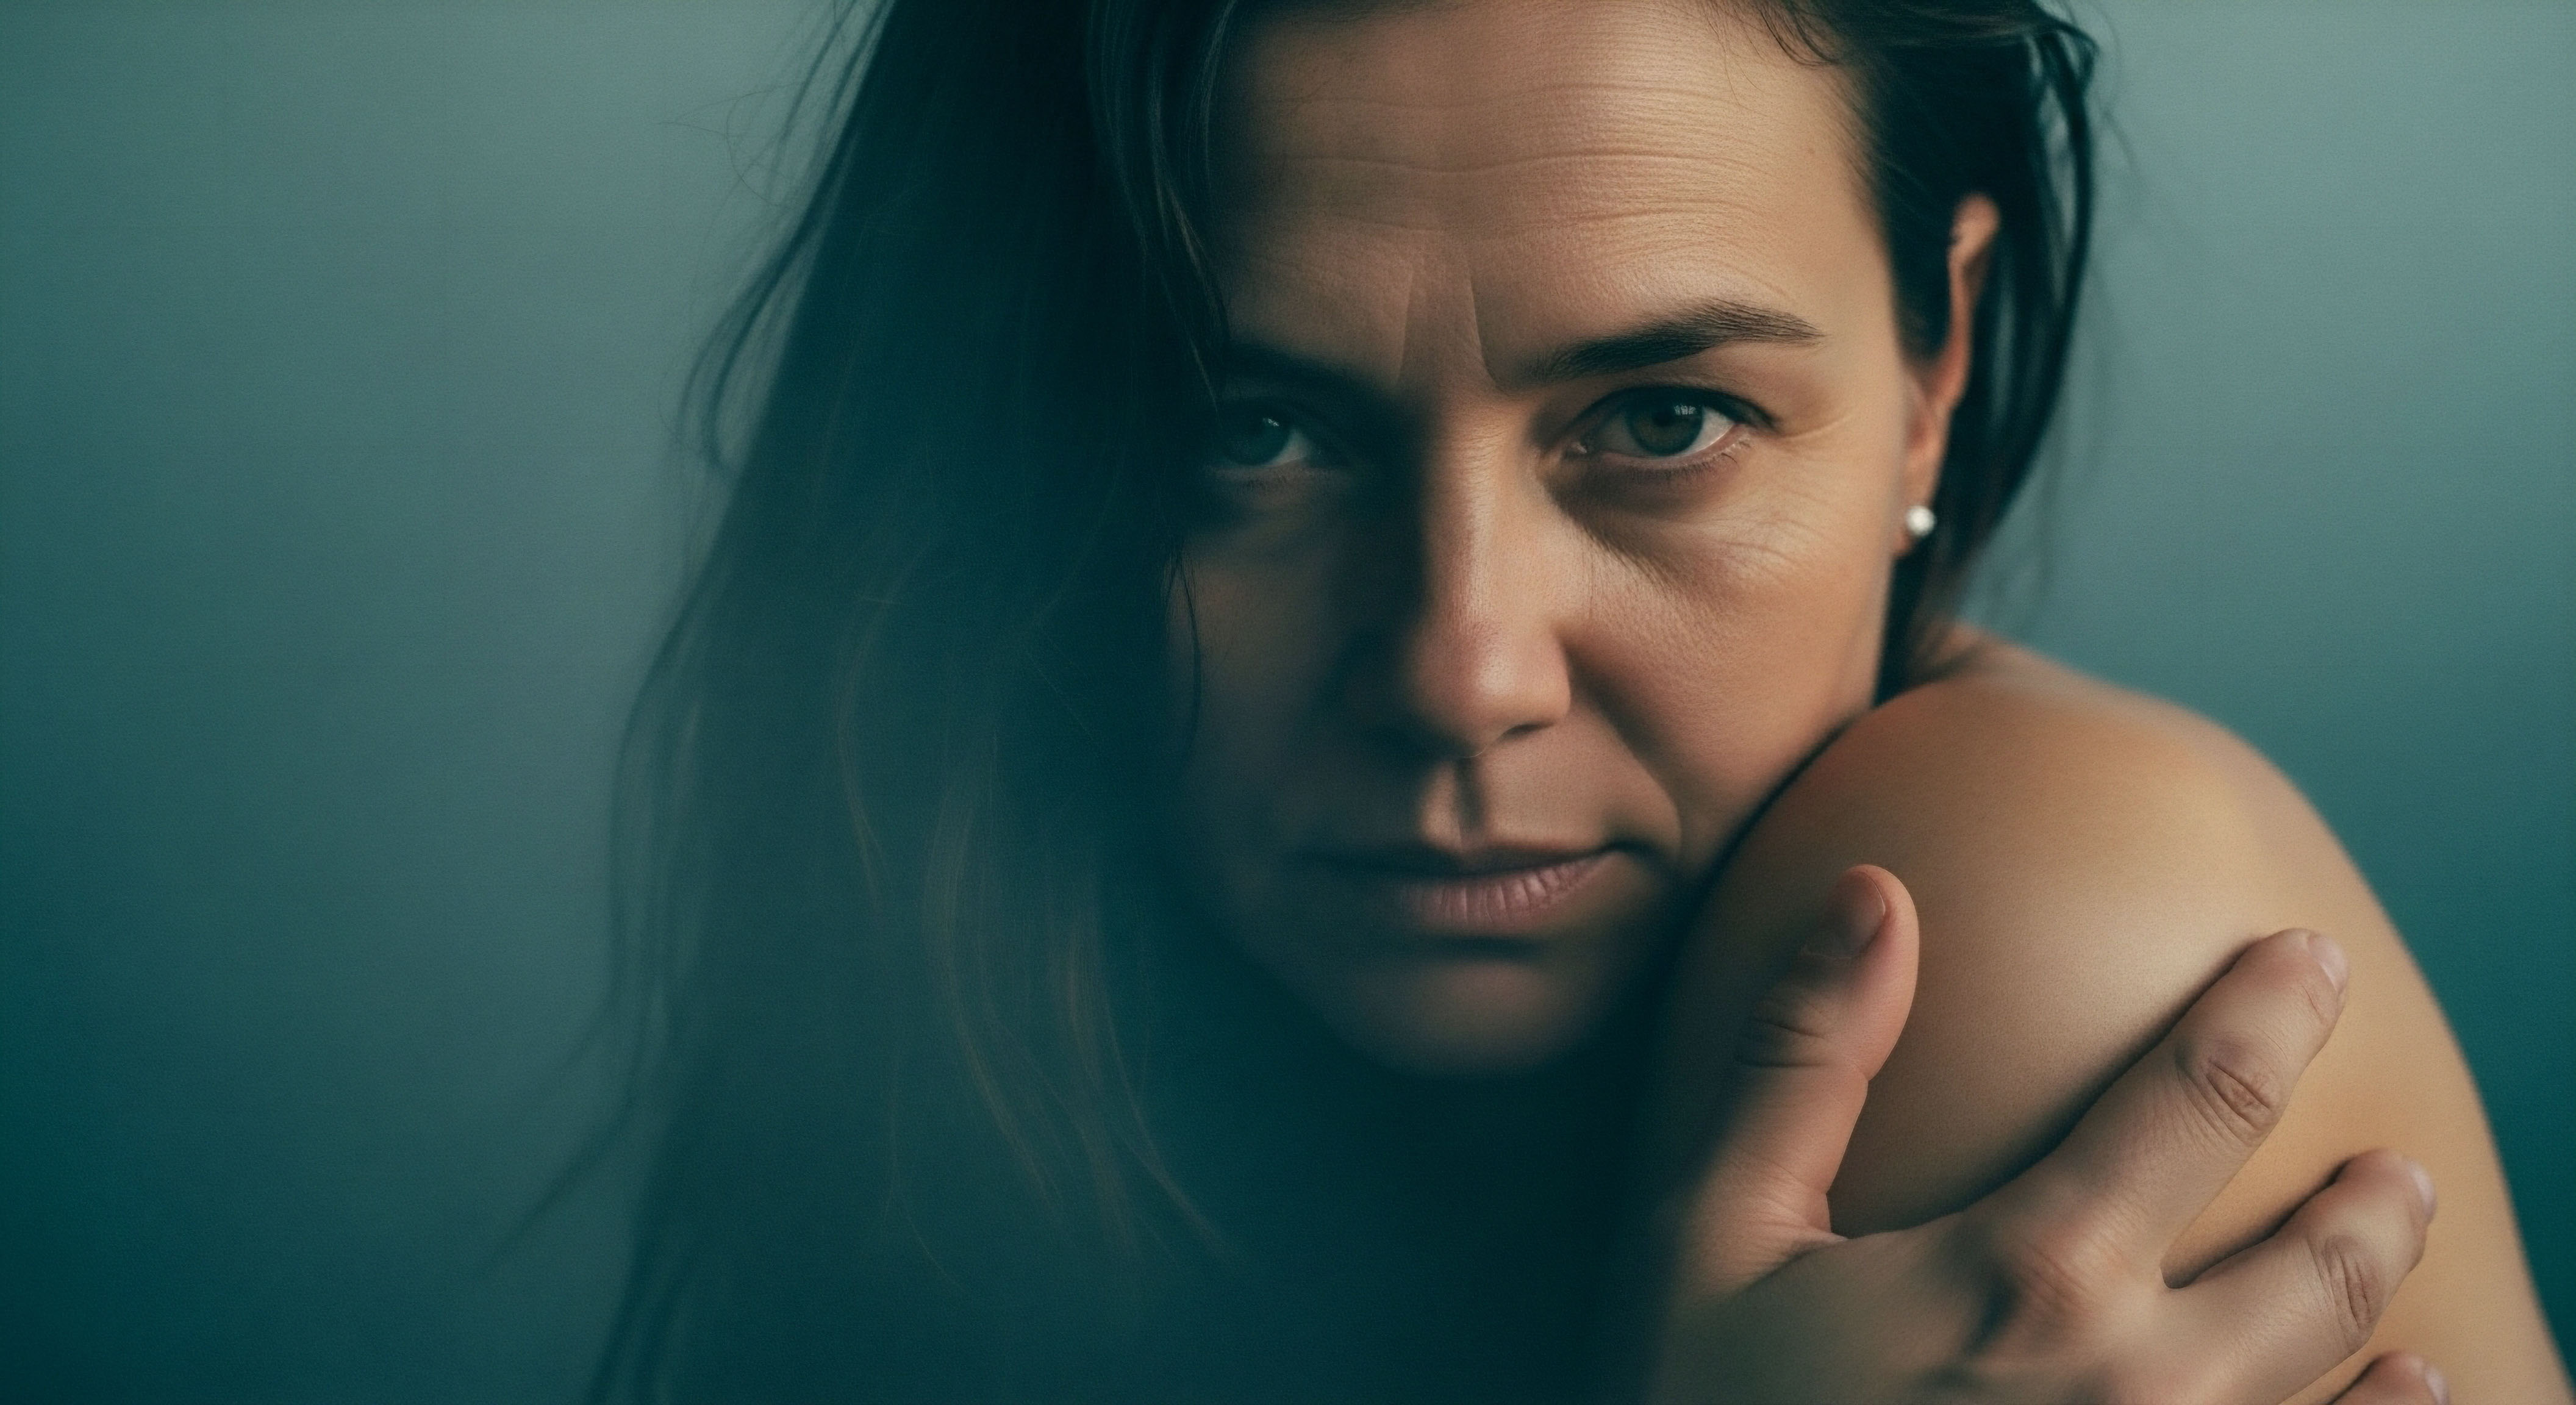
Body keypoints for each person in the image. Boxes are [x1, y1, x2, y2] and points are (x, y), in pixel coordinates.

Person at [590, 0, 2570, 1400]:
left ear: (1935, 362)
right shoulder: (1037, 1072)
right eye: (1251, 433)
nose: (1463, 672)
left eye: (1664, 420)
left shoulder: (2013, 921)